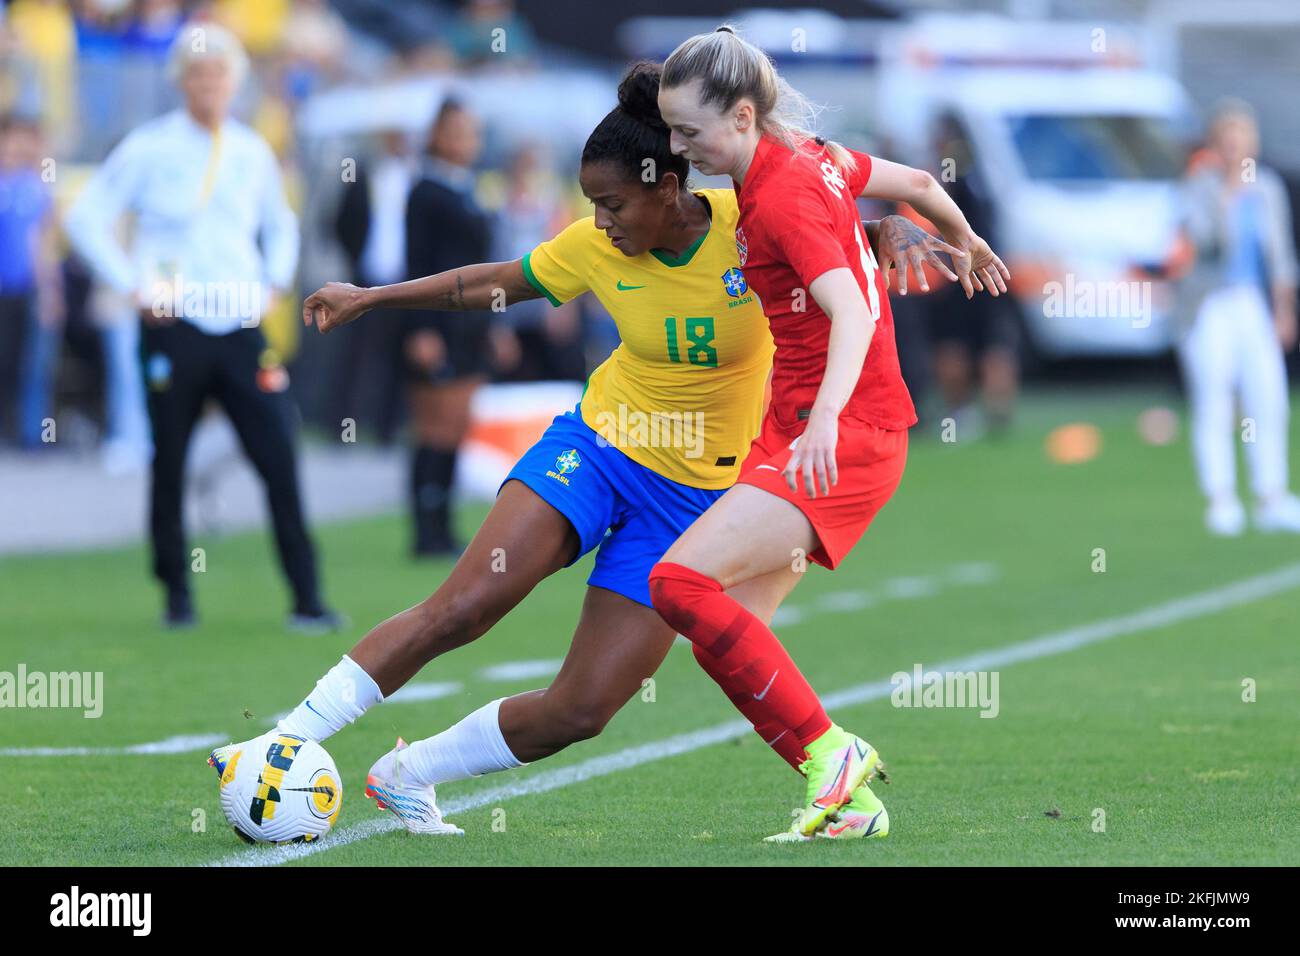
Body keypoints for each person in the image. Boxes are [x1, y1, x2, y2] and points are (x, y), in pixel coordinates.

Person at [211, 62, 969, 838]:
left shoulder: (746, 223)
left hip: (697, 499)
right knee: (465, 608)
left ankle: (409, 774)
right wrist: (373, 298)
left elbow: (822, 234)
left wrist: (887, 228)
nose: (600, 221)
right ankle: (283, 739)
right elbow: (493, 283)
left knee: (580, 710)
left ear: (670, 191)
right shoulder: (593, 246)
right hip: (600, 448)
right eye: (592, 205)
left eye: (612, 204)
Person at [649, 25, 1009, 840]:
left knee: (677, 585)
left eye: (688, 131)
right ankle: (848, 800)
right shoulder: (811, 156)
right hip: (816, 427)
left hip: (842, 435)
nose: (677, 147)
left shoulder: (780, 191)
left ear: (742, 118)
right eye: (671, 130)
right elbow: (916, 180)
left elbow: (849, 308)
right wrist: (964, 235)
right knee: (723, 630)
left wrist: (822, 421)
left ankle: (830, 754)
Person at [64, 23, 340, 631]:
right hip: (173, 324)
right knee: (170, 460)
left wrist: (276, 278)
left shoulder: (250, 150)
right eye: (196, 74)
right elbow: (86, 216)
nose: (208, 84)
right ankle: (177, 597)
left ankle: (307, 597)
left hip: (241, 324)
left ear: (234, 82)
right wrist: (131, 282)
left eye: (218, 74)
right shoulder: (150, 146)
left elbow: (281, 223)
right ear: (180, 82)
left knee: (277, 451)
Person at [1176, 99, 1300, 536]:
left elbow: (1281, 256)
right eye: (1226, 138)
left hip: (1251, 301)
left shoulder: (1267, 188)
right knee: (1215, 396)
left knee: (1268, 395)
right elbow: (1202, 241)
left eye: (1240, 137)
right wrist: (1227, 194)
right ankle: (1221, 498)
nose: (1234, 146)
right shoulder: (1201, 186)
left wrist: (1284, 311)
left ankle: (1271, 495)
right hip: (1210, 302)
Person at [401, 99, 494, 557]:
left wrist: (497, 322)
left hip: (470, 322)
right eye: (456, 131)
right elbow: (416, 263)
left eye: (471, 132)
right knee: (434, 426)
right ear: (437, 135)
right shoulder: (425, 190)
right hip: (438, 320)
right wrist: (421, 328)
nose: (465, 141)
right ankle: (425, 530)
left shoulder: (468, 188)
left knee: (457, 425)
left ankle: (444, 525)